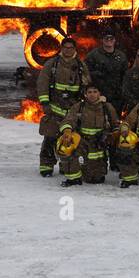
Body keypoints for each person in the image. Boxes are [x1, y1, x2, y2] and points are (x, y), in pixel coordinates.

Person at [34, 36, 90, 177]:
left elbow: (87, 85)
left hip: (73, 110)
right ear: (61, 48)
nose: (68, 50)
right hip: (54, 108)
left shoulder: (81, 66)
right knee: (50, 137)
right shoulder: (52, 64)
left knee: (70, 139)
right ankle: (46, 165)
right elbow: (42, 83)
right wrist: (45, 103)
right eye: (65, 47)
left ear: (75, 49)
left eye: (71, 48)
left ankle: (67, 165)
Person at [56, 83, 119, 186]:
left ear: (99, 94)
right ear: (85, 94)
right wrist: (67, 130)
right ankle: (73, 178)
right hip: (82, 141)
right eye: (89, 92)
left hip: (99, 143)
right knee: (65, 145)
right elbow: (68, 120)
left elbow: (115, 123)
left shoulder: (107, 107)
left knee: (95, 179)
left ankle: (92, 170)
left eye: (95, 92)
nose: (92, 94)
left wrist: (114, 135)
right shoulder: (79, 107)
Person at [85, 29, 129, 113]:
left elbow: (125, 77)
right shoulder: (93, 55)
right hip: (98, 97)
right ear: (102, 40)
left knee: (115, 122)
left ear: (115, 40)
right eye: (106, 38)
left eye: (111, 38)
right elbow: (86, 74)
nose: (109, 40)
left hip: (116, 98)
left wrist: (123, 95)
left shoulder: (121, 56)